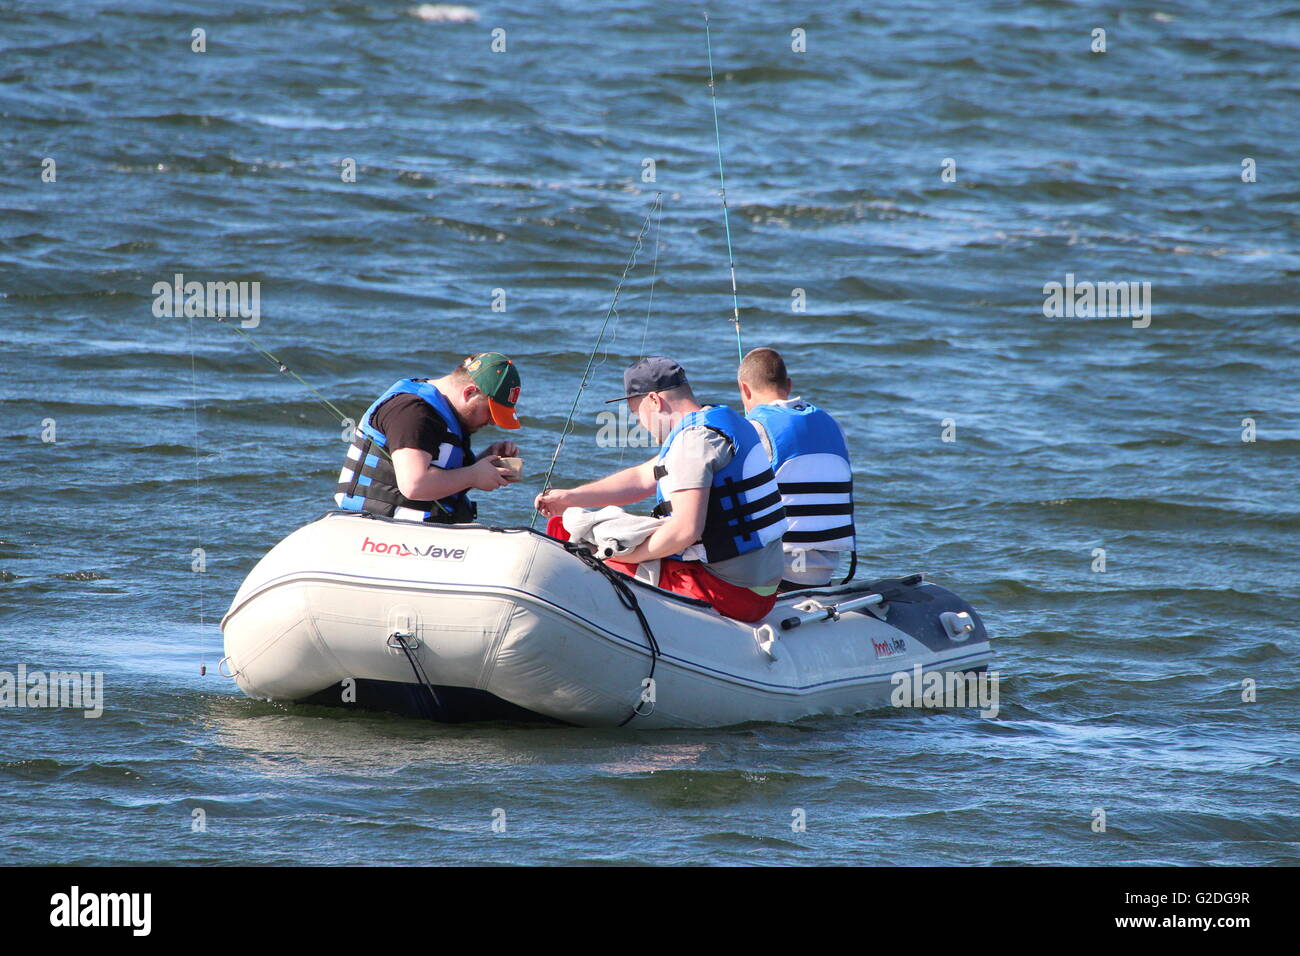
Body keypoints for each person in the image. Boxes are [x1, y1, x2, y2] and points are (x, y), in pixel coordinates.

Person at [534, 357, 787, 623]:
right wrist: (571, 497)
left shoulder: (693, 444)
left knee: (575, 548)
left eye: (637, 414)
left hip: (729, 592)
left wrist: (624, 555)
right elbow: (643, 477)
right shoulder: (720, 422)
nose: (640, 424)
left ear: (654, 401)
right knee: (568, 525)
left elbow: (685, 531)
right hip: (762, 587)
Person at [335, 352, 522, 523]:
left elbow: (442, 478)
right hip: (380, 527)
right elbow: (415, 485)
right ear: (469, 392)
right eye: (490, 412)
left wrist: (483, 464)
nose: (492, 422)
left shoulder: (448, 414)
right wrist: (473, 475)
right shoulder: (413, 412)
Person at [738, 347, 855, 590]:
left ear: (744, 389)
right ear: (789, 385)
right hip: (826, 571)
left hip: (774, 574)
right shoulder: (832, 424)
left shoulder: (754, 428)